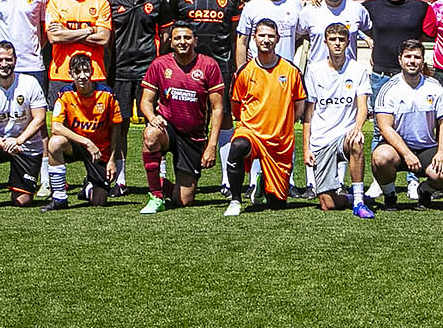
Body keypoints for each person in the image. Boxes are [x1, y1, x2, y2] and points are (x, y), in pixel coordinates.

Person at [139, 21, 227, 213]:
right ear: (170, 42)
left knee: (184, 200)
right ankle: (156, 196)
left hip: (193, 137)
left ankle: (161, 183)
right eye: (177, 38)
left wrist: (211, 146)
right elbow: (146, 101)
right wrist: (152, 116)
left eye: (187, 37)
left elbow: (218, 108)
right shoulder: (160, 64)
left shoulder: (209, 65)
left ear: (195, 40)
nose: (182, 42)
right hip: (167, 128)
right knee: (151, 134)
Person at [224, 18, 306, 215]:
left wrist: (282, 124)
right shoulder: (244, 72)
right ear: (254, 38)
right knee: (238, 146)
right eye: (262, 35)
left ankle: (262, 184)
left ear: (278, 39)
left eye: (271, 36)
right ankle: (235, 200)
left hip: (279, 141)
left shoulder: (291, 71)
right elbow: (236, 107)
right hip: (251, 132)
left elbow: (300, 106)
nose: (266, 39)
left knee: (277, 205)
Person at [107, 0, 171, 194]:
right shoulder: (112, 2)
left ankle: (160, 178)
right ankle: (120, 180)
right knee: (119, 125)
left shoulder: (157, 1)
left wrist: (157, 64)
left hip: (148, 72)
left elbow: (165, 37)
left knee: (154, 123)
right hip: (121, 71)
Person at [371, 39, 443, 208]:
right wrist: (406, 154)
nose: (412, 61)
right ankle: (390, 194)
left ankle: (424, 190)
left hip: (426, 147)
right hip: (396, 149)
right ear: (400, 60)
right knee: (380, 158)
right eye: (408, 56)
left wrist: (441, 152)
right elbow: (384, 127)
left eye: (417, 57)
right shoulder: (389, 88)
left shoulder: (434, 86)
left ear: (423, 60)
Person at [304, 23, 375, 217]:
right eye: (333, 39)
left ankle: (359, 202)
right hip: (321, 140)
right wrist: (306, 148)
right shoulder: (314, 70)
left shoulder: (358, 70)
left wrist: (358, 127)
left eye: (341, 40)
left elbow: (362, 107)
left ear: (348, 42)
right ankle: (351, 198)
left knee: (357, 141)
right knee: (327, 204)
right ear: (325, 42)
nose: (337, 44)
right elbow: (308, 113)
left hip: (344, 135)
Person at [0, 41, 48, 211]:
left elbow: (40, 118)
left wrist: (18, 141)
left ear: (15, 60)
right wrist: (4, 143)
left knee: (22, 201)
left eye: (8, 59)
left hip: (26, 146)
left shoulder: (30, 83)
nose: (4, 64)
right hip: (1, 145)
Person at [44, 52, 123, 210]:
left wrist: (113, 160)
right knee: (54, 143)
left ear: (92, 72)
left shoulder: (107, 95)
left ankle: (88, 188)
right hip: (77, 145)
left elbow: (116, 129)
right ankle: (59, 198)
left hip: (100, 151)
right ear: (70, 73)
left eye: (86, 70)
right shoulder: (65, 94)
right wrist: (86, 142)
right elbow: (56, 127)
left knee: (99, 201)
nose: (82, 76)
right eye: (77, 71)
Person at [43, 0, 112, 103]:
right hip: (61, 74)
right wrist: (88, 30)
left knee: (96, 123)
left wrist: (66, 32)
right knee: (58, 123)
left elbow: (104, 39)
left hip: (94, 73)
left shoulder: (101, 2)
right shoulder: (55, 2)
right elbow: (54, 38)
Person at [365, 0, 431, 98]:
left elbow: (428, 34)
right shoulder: (370, 7)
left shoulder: (420, 7)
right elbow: (345, 17)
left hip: (411, 76)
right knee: (381, 119)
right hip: (381, 76)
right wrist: (366, 38)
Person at [236, 0, 305, 72]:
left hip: (285, 72)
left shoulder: (295, 5)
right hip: (257, 71)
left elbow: (299, 35)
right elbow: (242, 42)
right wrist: (241, 72)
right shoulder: (251, 7)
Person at [300, 0, 373, 67]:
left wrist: (366, 38)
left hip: (348, 74)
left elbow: (368, 30)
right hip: (317, 75)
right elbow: (298, 35)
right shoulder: (308, 11)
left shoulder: (357, 9)